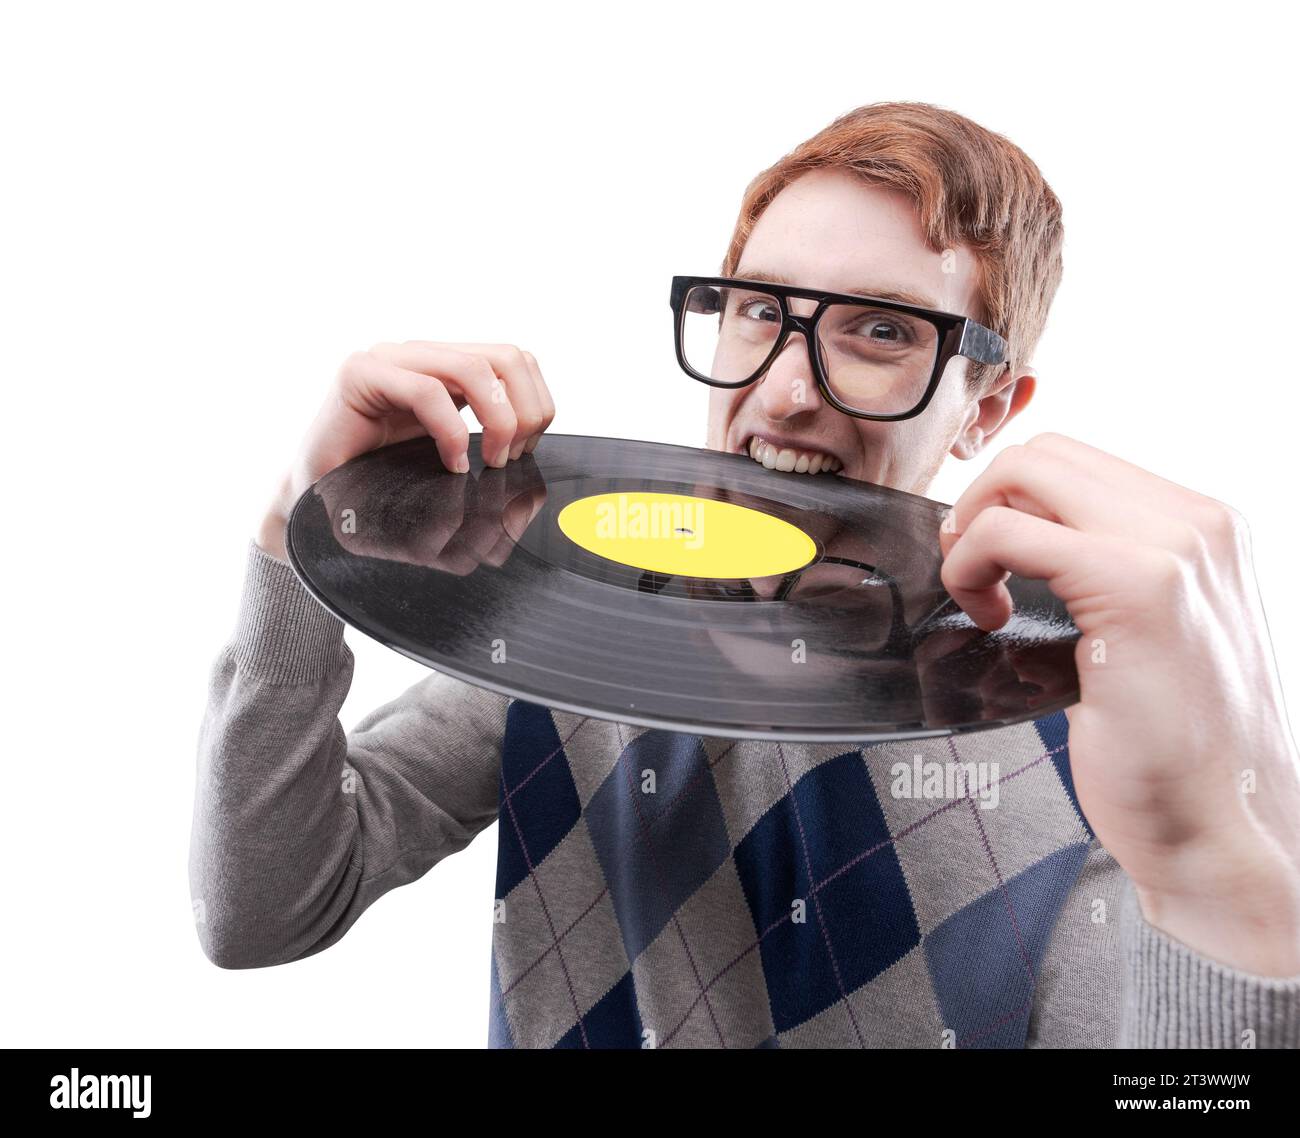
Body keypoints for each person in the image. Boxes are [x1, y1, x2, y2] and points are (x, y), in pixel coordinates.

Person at [189, 100, 1300, 1048]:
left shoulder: (1095, 730)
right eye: (761, 311)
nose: (780, 395)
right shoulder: (567, 624)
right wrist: (296, 530)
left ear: (988, 408)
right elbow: (262, 912)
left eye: (876, 332)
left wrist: (1216, 863)